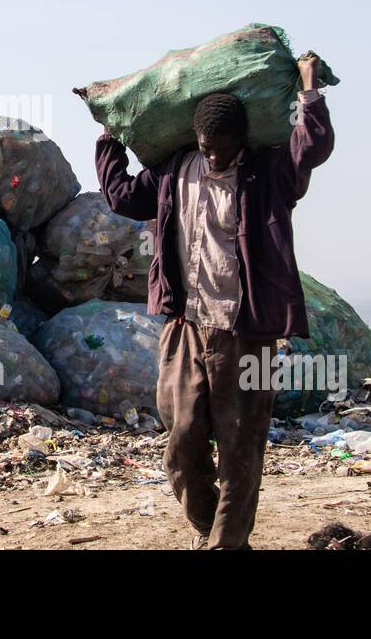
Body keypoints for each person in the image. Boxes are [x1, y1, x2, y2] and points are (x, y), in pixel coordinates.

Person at [94, 54, 334, 549]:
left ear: (240, 142)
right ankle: (210, 528)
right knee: (181, 438)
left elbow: (311, 147)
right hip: (185, 327)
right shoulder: (173, 171)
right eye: (209, 148)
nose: (216, 157)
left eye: (225, 150)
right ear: (197, 142)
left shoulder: (267, 176)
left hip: (250, 334)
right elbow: (120, 196)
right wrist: (108, 138)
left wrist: (310, 89)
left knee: (241, 446)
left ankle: (228, 543)